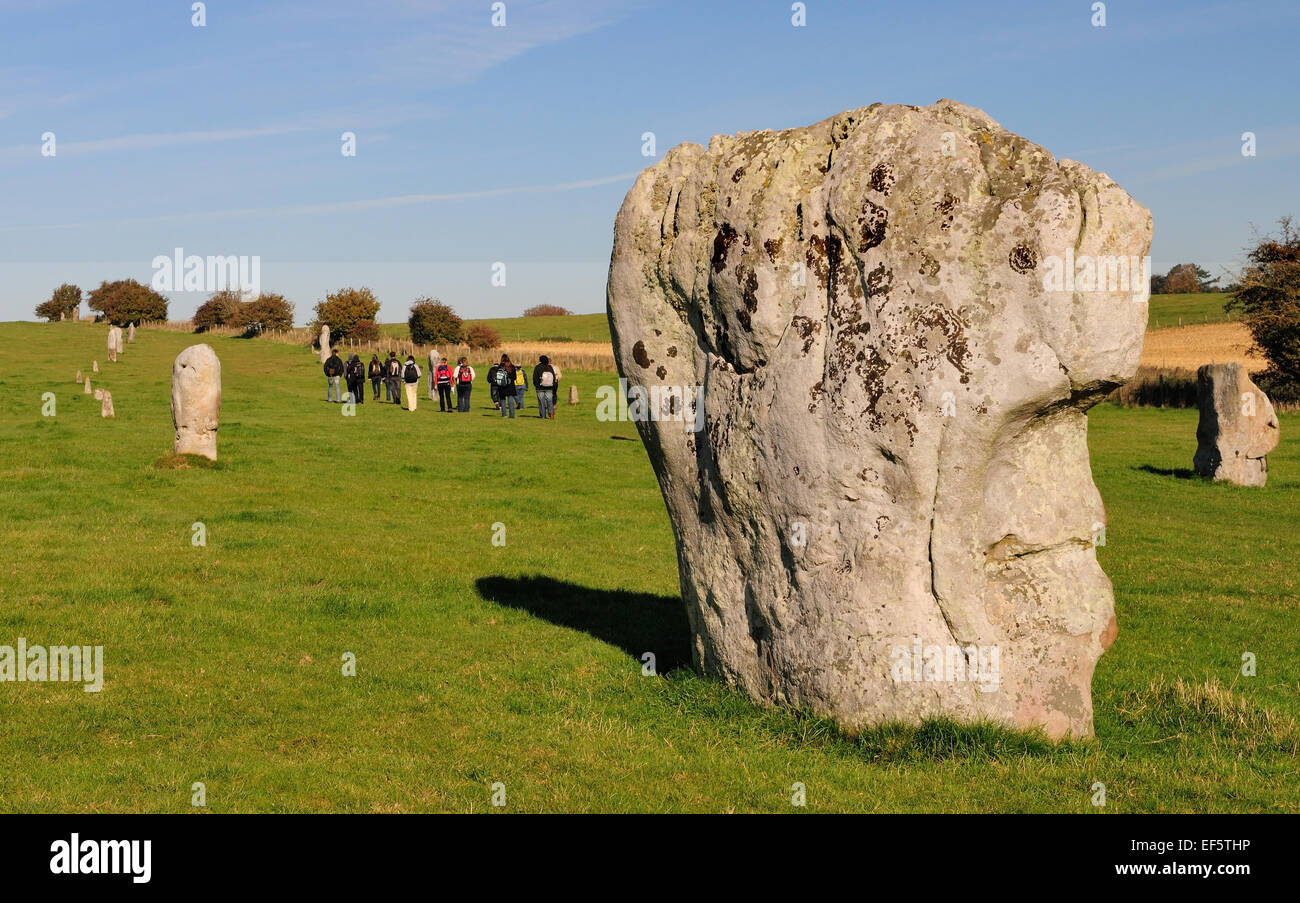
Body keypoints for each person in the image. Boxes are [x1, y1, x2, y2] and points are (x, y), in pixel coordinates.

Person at [533, 354, 558, 419]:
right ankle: (551, 413)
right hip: (549, 387)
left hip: (540, 388)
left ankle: (543, 415)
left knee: (541, 402)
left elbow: (535, 378)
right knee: (549, 401)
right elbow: (553, 377)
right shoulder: (550, 367)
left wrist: (536, 385)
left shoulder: (537, 367)